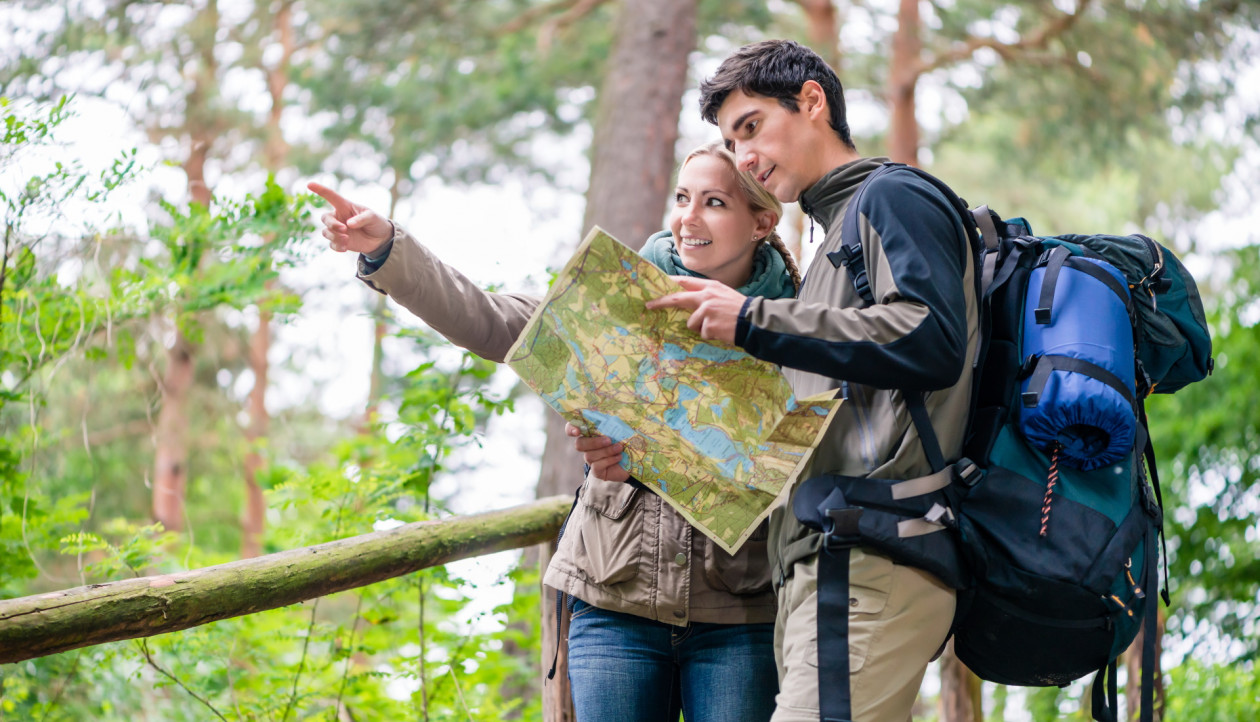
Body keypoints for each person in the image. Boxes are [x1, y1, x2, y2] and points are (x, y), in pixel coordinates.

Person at [308, 141, 802, 722]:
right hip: (612, 602)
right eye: (682, 197)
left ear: (762, 222)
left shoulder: (796, 327)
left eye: (714, 202)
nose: (688, 217)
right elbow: (492, 320)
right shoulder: (618, 301)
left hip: (740, 618)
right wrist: (390, 250)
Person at [580, 40, 980, 721]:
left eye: (752, 127)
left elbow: (930, 337)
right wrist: (644, 454)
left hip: (873, 558)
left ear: (813, 102)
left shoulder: (894, 198)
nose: (745, 158)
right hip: (823, 566)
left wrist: (754, 319)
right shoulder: (834, 237)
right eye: (733, 143)